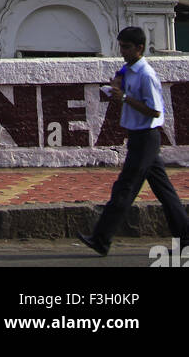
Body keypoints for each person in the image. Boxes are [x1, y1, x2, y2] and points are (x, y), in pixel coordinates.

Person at [78, 27, 189, 257]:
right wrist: (117, 84)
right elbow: (122, 72)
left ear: (140, 48)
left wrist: (126, 98)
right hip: (138, 136)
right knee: (164, 191)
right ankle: (186, 239)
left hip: (146, 137)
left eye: (127, 47)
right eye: (121, 47)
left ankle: (101, 238)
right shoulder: (129, 69)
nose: (123, 52)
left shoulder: (146, 75)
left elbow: (155, 111)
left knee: (125, 188)